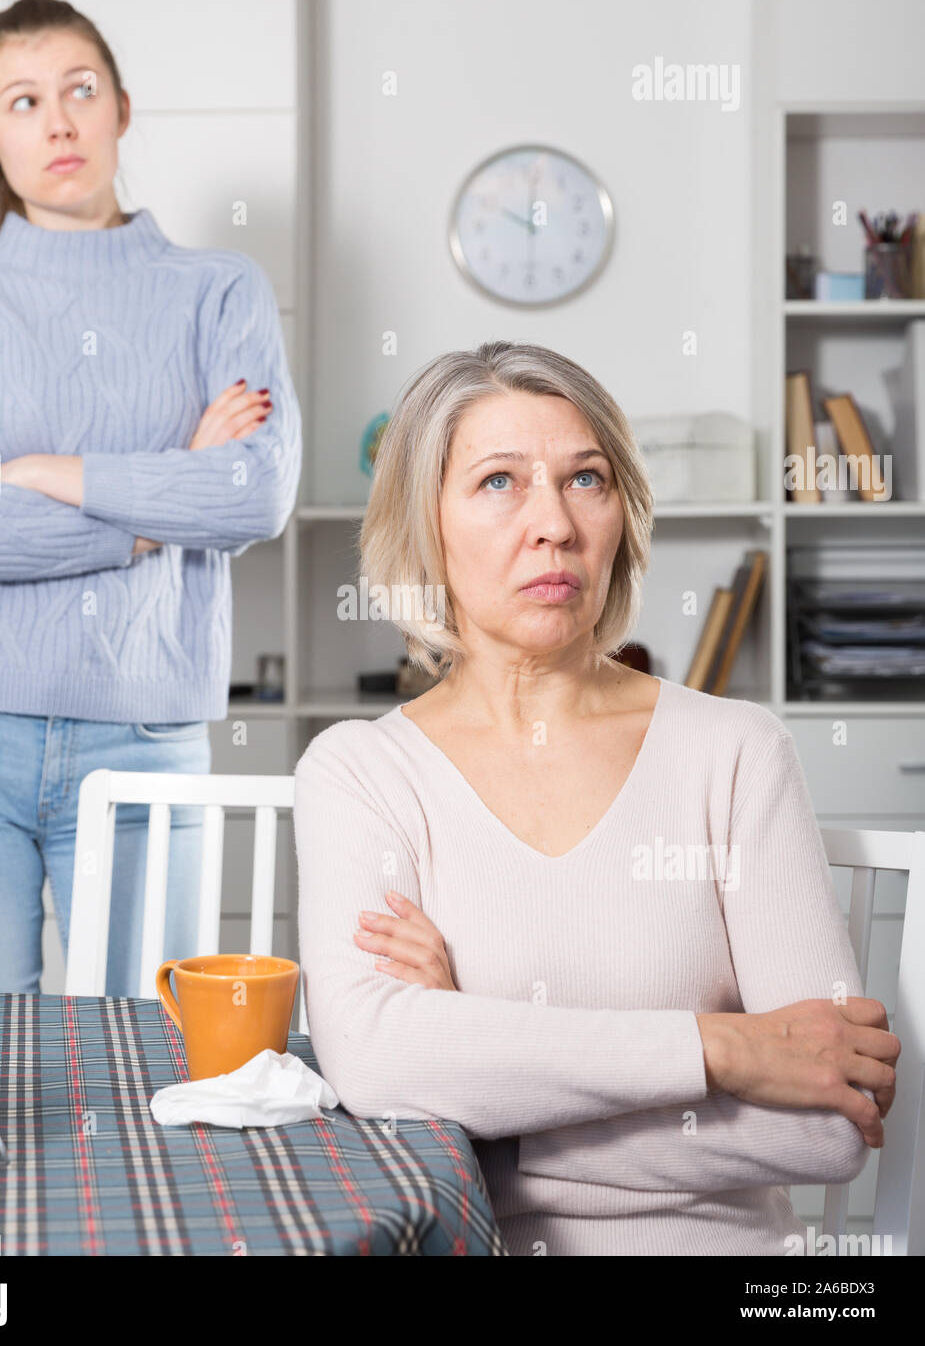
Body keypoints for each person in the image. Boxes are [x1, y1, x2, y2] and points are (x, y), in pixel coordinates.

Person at [293, 339, 898, 1256]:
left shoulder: (734, 752)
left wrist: (489, 1096)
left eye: (586, 479)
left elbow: (826, 1124)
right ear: (426, 528)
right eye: (499, 482)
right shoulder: (361, 773)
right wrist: (718, 1050)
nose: (555, 526)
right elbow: (378, 1063)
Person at [0, 0, 301, 997]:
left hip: (141, 730)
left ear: (121, 109)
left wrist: (52, 474)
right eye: (23, 101)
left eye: (79, 90)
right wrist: (159, 503)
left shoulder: (220, 291)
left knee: (149, 1057)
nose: (57, 121)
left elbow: (254, 492)